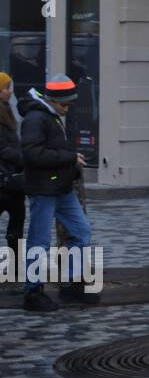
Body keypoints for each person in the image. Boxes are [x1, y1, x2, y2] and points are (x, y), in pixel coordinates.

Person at [19, 74, 96, 312]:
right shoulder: (35, 118)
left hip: (60, 187)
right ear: (51, 100)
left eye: (70, 104)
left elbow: (49, 150)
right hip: (44, 188)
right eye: (64, 104)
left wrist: (70, 160)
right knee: (39, 241)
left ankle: (71, 282)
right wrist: (70, 158)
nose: (67, 108)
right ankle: (33, 292)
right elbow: (33, 154)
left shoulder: (50, 115)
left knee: (81, 231)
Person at [0, 72, 25, 254]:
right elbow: (4, 149)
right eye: (7, 88)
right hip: (5, 179)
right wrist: (22, 158)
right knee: (16, 222)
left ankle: (16, 265)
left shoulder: (7, 109)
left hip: (12, 179)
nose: (10, 91)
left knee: (17, 222)